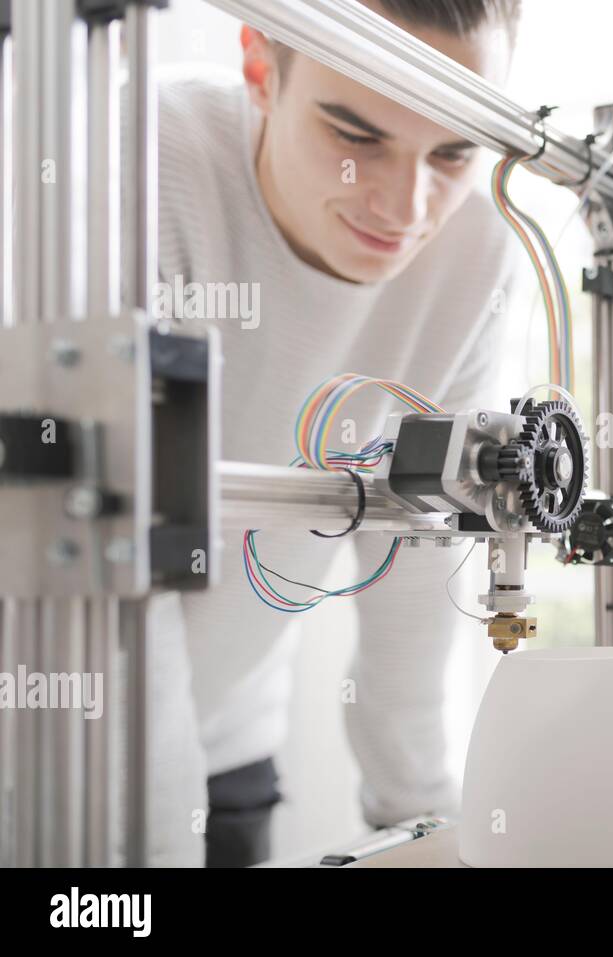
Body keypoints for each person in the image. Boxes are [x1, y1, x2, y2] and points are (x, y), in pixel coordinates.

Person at [141, 0, 523, 866]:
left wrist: (429, 833)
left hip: (225, 740)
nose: (405, 206)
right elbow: (130, 566)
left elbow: (421, 566)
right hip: (47, 738)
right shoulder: (149, 158)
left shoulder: (477, 247)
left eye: (455, 150)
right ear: (260, 63)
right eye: (358, 135)